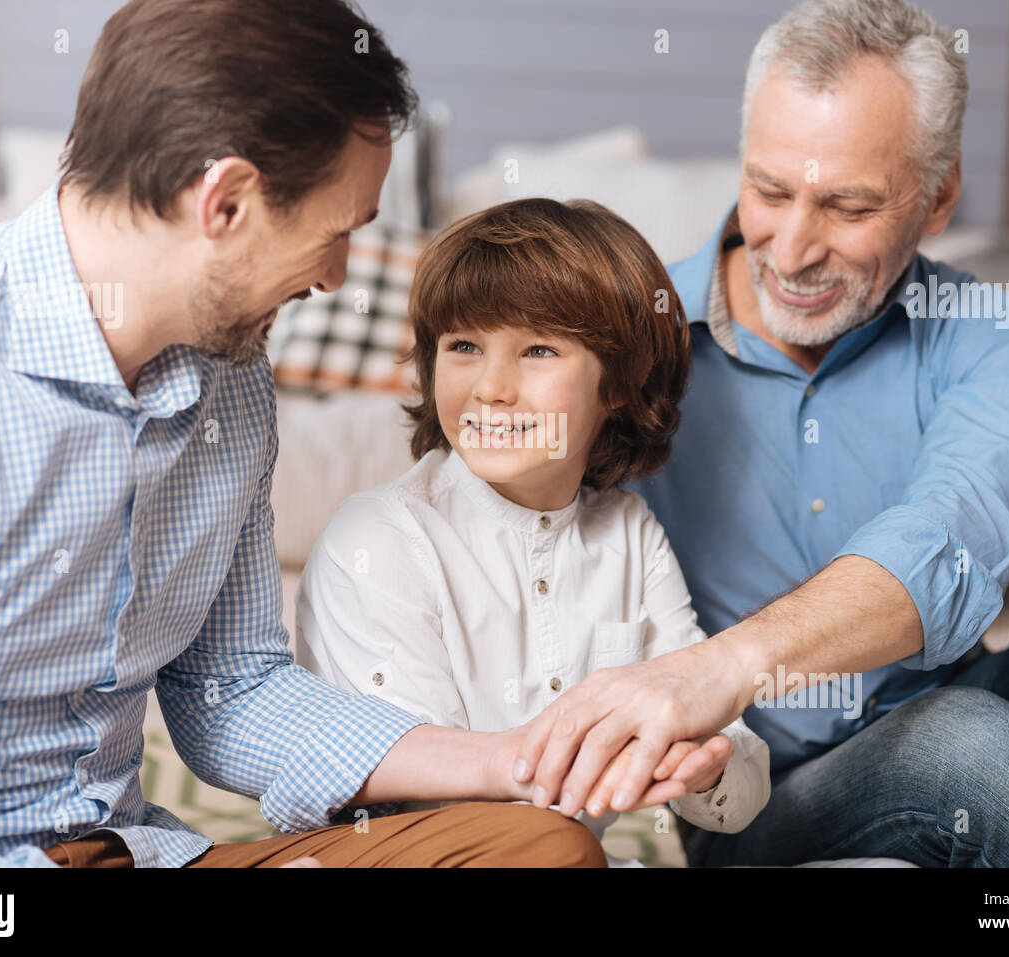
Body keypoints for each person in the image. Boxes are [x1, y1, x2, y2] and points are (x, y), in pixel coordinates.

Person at [0, 0, 709, 869]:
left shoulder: (234, 385)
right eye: (335, 232)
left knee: (543, 846)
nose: (337, 277)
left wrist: (504, 759)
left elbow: (233, 690)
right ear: (226, 200)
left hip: (146, 854)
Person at [510, 0, 1009, 867]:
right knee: (965, 740)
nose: (793, 247)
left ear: (939, 196)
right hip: (757, 799)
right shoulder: (627, 332)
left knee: (972, 729)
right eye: (769, 190)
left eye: (848, 206)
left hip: (995, 716)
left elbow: (950, 536)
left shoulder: (1000, 338)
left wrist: (716, 670)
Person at [296, 198, 772, 866]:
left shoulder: (629, 533)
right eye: (463, 345)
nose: (491, 386)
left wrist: (707, 768)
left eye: (538, 349)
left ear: (619, 384)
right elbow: (437, 814)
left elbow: (740, 777)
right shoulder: (377, 538)